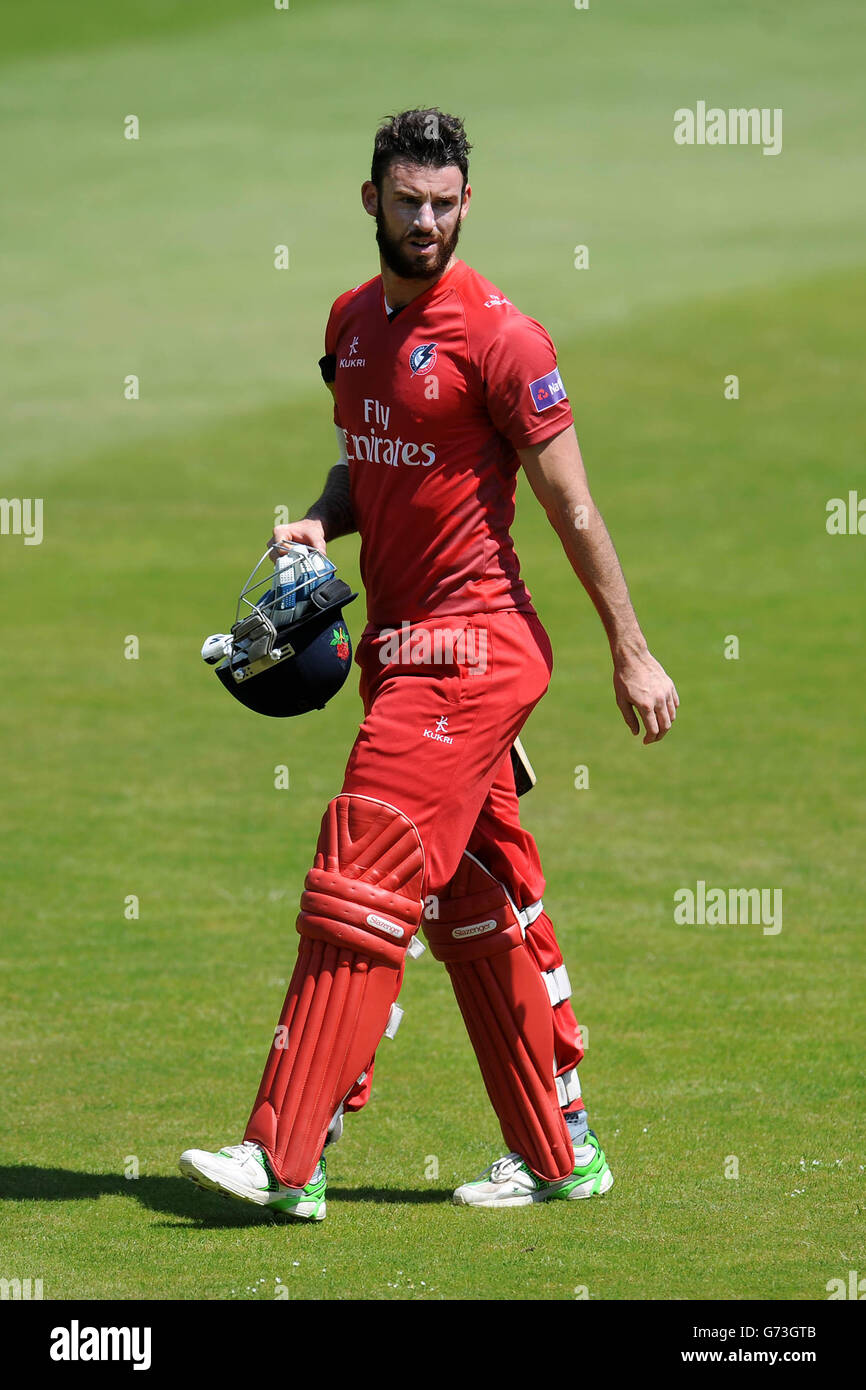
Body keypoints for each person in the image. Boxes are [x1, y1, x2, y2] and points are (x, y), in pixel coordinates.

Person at [180, 108, 678, 1221]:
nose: (426, 221)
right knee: (477, 903)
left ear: (466, 203)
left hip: (469, 652)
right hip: (398, 651)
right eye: (406, 201)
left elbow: (571, 504)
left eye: (445, 203)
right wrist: (318, 519)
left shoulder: (504, 340)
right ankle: (561, 1152)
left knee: (362, 866)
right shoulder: (352, 322)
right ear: (370, 201)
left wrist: (630, 654)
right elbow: (371, 462)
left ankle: (283, 1156)